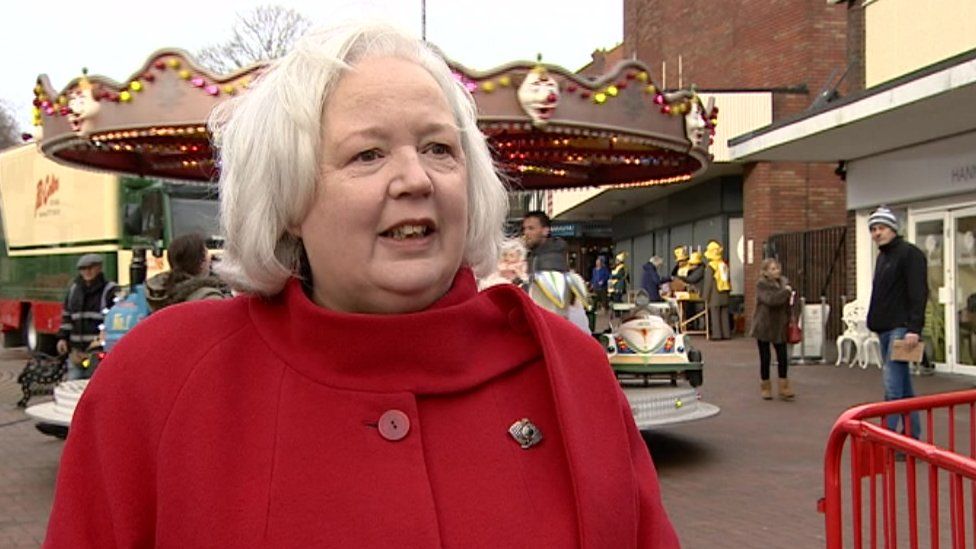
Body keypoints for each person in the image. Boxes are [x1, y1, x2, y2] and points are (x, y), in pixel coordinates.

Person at [45, 23, 678, 548]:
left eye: (438, 148)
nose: (415, 179)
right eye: (367, 155)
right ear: (290, 196)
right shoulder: (160, 376)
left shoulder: (570, 371)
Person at [866, 205, 927, 439]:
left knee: (892, 385)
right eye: (872, 229)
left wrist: (914, 328)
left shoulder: (910, 254)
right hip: (883, 328)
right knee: (903, 386)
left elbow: (918, 292)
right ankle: (912, 435)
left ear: (892, 229)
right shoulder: (882, 258)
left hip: (900, 330)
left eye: (880, 228)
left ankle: (888, 436)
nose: (876, 233)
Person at [55, 254, 118, 380]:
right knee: (73, 386)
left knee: (95, 386)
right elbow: (67, 317)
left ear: (99, 268)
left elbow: (115, 321)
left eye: (91, 268)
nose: (87, 272)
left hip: (97, 352)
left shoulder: (110, 290)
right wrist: (62, 338)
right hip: (76, 352)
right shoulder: (74, 290)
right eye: (83, 269)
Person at [145, 233, 228, 311]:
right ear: (202, 262)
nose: (211, 259)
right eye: (207, 254)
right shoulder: (210, 298)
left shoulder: (156, 295)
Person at [750, 258, 795, 400]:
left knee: (783, 356)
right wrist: (786, 293)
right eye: (772, 269)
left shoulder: (783, 283)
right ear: (765, 272)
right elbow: (771, 300)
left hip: (780, 326)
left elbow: (787, 305)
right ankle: (765, 387)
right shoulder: (761, 285)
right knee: (765, 358)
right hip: (764, 325)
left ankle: (784, 386)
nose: (776, 271)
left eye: (777, 268)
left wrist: (790, 318)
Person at [521, 210, 568, 276]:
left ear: (545, 231)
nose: (526, 233)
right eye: (524, 229)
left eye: (531, 228)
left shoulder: (551, 260)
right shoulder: (533, 255)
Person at [702, 240, 732, 340]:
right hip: (725, 292)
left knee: (715, 314)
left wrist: (705, 295)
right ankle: (726, 334)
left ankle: (717, 335)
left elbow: (708, 282)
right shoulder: (724, 264)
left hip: (715, 293)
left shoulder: (711, 266)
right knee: (724, 314)